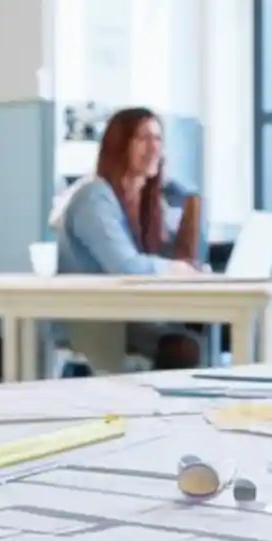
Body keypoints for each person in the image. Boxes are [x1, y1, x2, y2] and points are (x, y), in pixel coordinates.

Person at [56, 107, 205, 369]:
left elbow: (165, 257)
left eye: (158, 139)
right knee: (184, 348)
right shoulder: (94, 197)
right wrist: (175, 268)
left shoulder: (148, 202)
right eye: (143, 138)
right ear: (119, 145)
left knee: (205, 330)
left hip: (129, 316)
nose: (154, 147)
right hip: (97, 322)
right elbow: (125, 267)